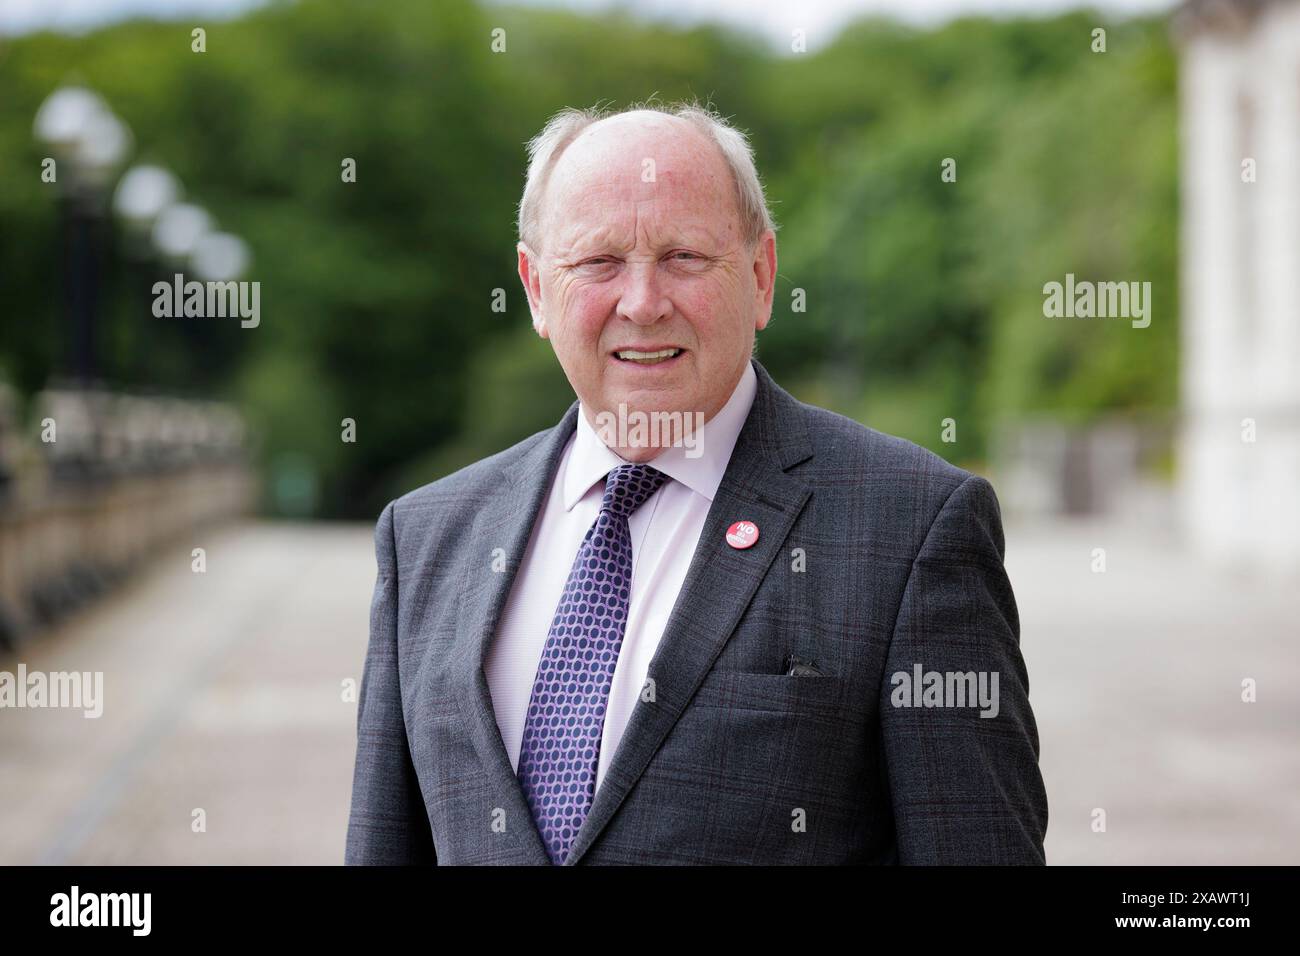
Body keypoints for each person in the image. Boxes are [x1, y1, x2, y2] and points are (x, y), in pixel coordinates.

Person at [345, 102, 1048, 865]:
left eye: (683, 257)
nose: (643, 303)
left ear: (760, 276)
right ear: (537, 288)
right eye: (598, 262)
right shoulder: (424, 538)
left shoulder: (913, 526)